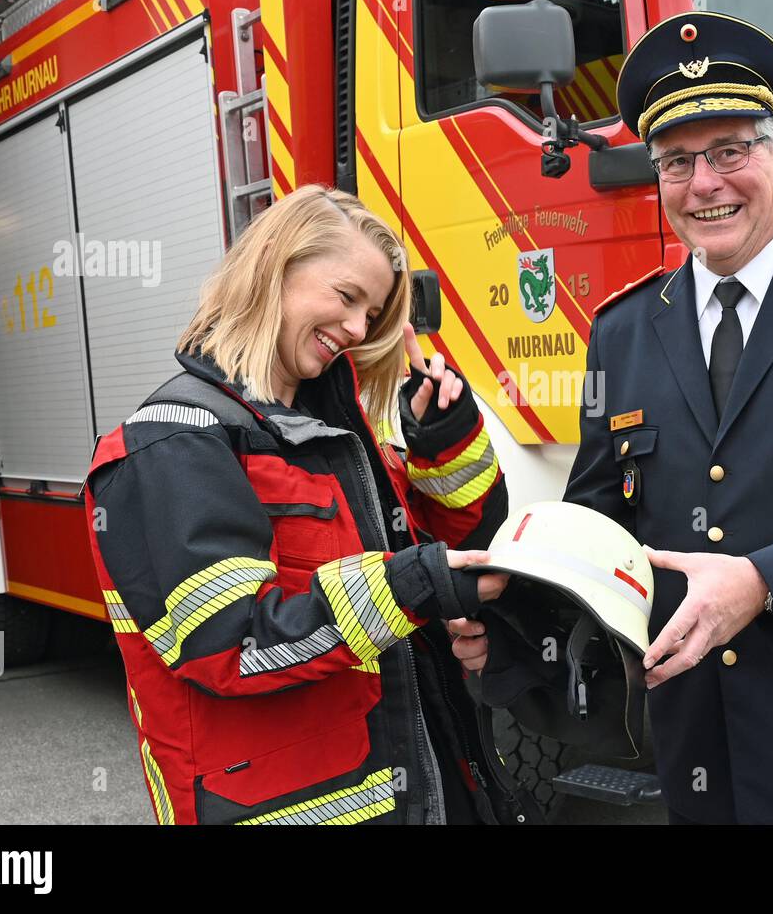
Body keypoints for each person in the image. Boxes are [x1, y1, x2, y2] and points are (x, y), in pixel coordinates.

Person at [451, 12, 773, 824]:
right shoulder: (621, 331)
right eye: (679, 162)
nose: (706, 183)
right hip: (698, 759)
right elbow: (598, 523)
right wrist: (511, 617)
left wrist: (763, 582)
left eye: (731, 151)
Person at [84, 185, 522, 825]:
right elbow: (228, 645)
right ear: (273, 268)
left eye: (371, 315)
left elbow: (456, 543)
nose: (355, 329)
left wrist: (442, 442)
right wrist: (410, 589)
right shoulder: (175, 442)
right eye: (346, 298)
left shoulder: (327, 435)